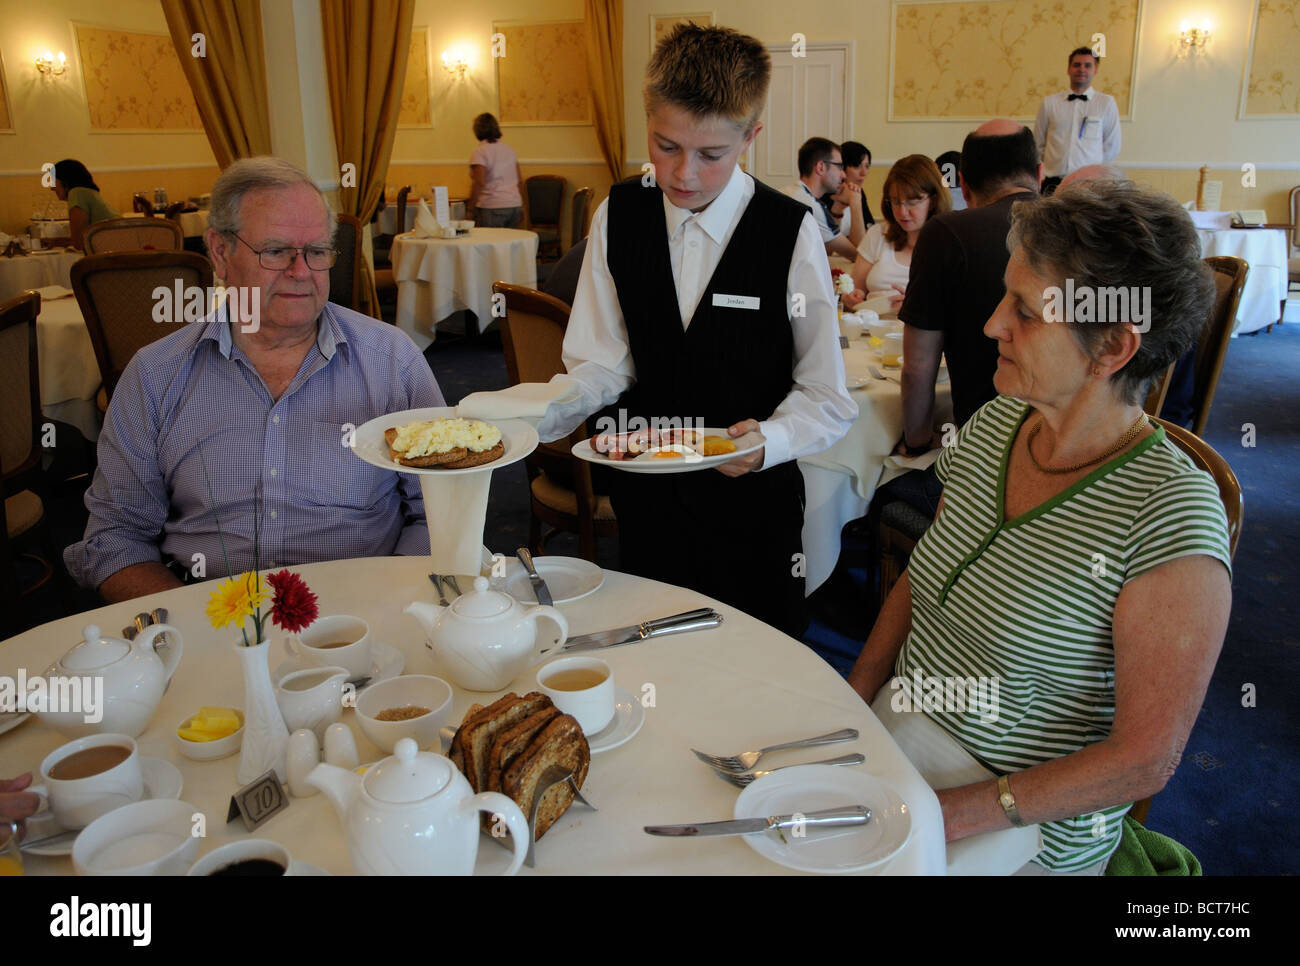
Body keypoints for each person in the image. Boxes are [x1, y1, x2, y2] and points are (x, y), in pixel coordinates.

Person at [850, 180, 1232, 874]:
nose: (993, 324)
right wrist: (853, 707)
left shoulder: (1168, 515)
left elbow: (1146, 758)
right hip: (902, 747)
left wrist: (953, 814)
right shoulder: (996, 425)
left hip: (1020, 826)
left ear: (1112, 345)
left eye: (1024, 311)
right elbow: (924, 574)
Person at [533, 24, 857, 637]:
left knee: (758, 672)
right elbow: (604, 363)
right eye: (665, 145)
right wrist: (536, 412)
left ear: (751, 136)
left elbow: (827, 396)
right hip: (648, 500)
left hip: (753, 512)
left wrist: (771, 440)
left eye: (711, 155)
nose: (683, 174)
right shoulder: (618, 214)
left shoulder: (790, 232)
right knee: (658, 660)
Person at [65, 157, 445, 603]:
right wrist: (191, 627)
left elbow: (440, 512)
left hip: (365, 617)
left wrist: (388, 603)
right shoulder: (156, 375)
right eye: (276, 250)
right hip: (207, 617)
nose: (301, 271)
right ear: (220, 253)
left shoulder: (391, 361)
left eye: (318, 251)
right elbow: (116, 537)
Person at [845, 154, 950, 312]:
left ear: (933, 201)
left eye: (912, 203)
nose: (902, 212)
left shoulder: (948, 242)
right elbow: (853, 292)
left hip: (920, 332)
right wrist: (852, 297)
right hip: (871, 329)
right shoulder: (878, 234)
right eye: (895, 201)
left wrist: (915, 307)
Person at [1034, 47, 1121, 194]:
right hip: (1053, 181)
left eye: (1088, 65)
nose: (1082, 69)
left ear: (1095, 70)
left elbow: (1111, 146)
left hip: (1090, 184)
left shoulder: (1106, 103)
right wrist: (1055, 163)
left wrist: (1091, 169)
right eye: (1076, 65)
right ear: (1068, 69)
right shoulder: (1049, 103)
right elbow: (1039, 142)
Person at [783, 138, 860, 259]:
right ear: (820, 167)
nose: (843, 175)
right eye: (839, 167)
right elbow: (857, 255)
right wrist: (855, 201)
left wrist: (839, 207)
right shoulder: (810, 205)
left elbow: (827, 249)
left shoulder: (793, 192)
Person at [467, 113, 524, 228]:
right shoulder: (509, 150)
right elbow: (519, 181)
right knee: (509, 244)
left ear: (477, 131)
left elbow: (479, 182)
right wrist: (523, 207)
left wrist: (470, 209)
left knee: (489, 244)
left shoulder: (480, 152)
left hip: (492, 207)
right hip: (514, 205)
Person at [50, 159, 119, 251]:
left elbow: (79, 243)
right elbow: (85, 238)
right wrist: (57, 242)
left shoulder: (77, 193)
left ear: (64, 180)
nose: (52, 188)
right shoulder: (88, 192)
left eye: (54, 181)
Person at [824, 140, 875, 236]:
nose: (864, 173)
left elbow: (869, 229)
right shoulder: (827, 195)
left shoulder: (858, 191)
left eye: (867, 166)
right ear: (842, 167)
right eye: (857, 166)